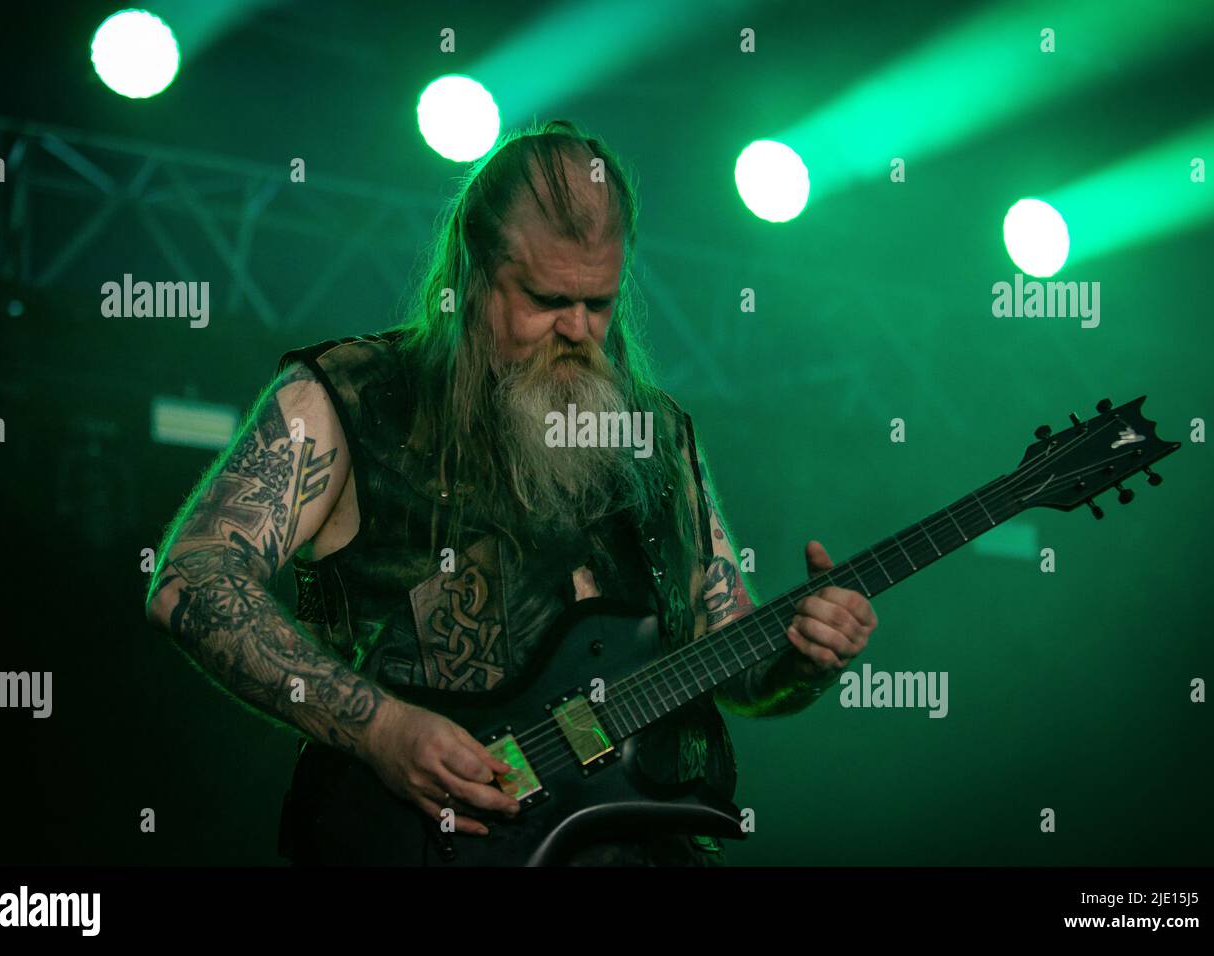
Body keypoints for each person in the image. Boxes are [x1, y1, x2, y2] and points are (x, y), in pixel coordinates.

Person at [144, 119, 877, 866]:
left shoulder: (655, 435)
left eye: (599, 303)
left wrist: (797, 662)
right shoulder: (353, 396)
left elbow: (731, 662)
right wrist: (382, 728)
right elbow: (191, 579)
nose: (578, 330)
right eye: (546, 298)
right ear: (470, 271)